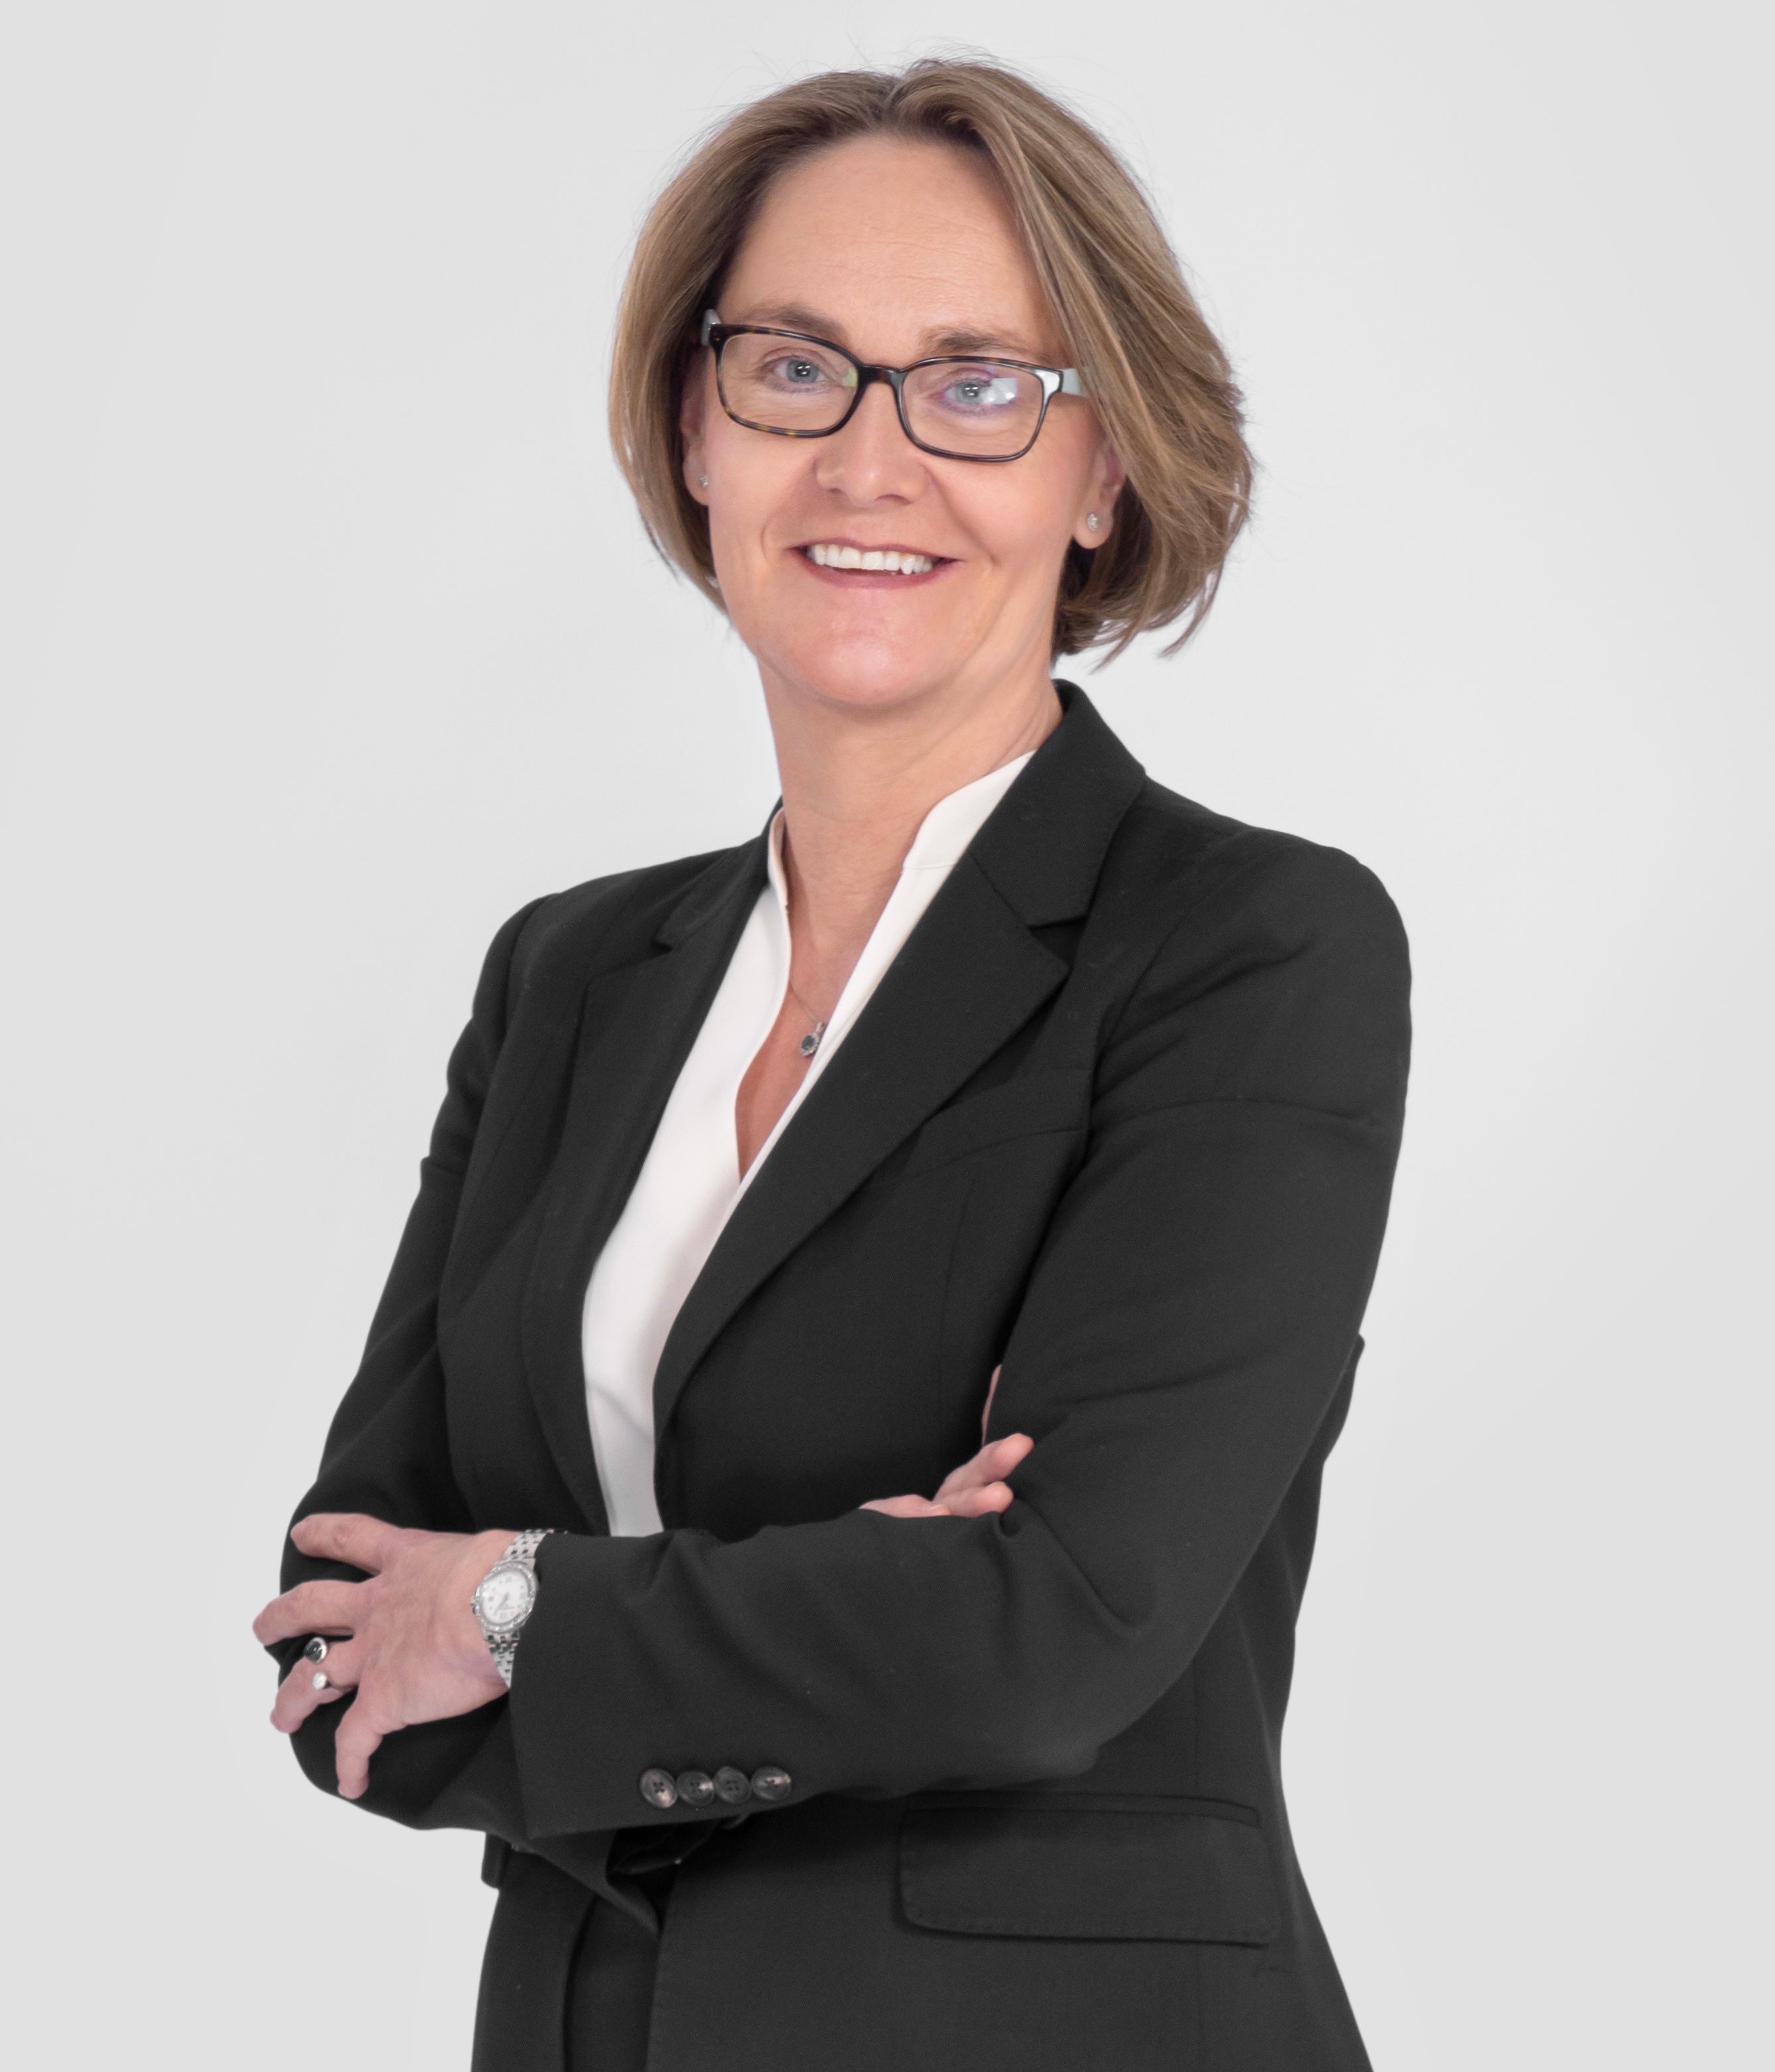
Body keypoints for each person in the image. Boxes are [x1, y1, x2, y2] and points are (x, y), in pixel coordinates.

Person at [254, 56, 1410, 2072]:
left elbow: (1052, 1637)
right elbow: (340, 1646)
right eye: (795, 370)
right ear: (698, 432)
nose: (872, 461)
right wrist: (857, 1601)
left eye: (978, 386)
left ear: (1101, 472)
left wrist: (521, 1607)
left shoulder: (1248, 951)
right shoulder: (570, 977)